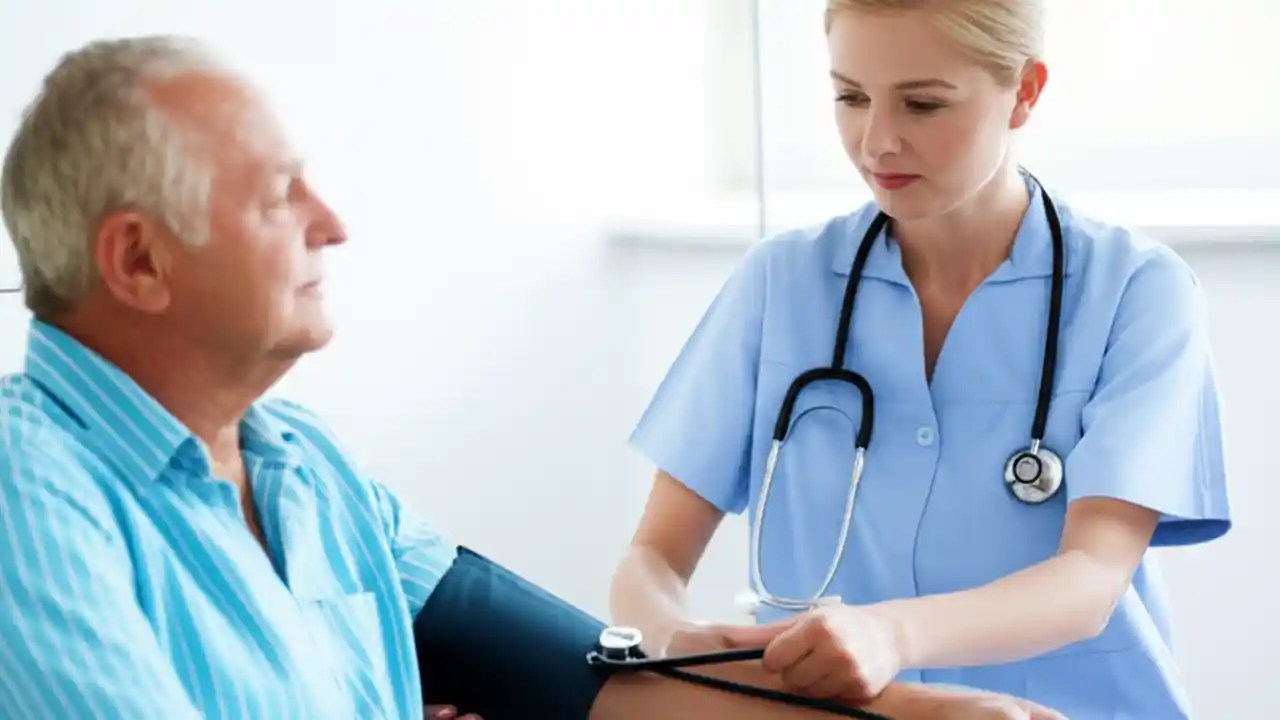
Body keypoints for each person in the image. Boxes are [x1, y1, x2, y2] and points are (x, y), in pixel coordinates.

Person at [0, 35, 1067, 720]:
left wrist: (917, 715)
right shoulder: (24, 494)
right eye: (280, 196)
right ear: (139, 261)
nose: (332, 223)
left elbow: (580, 681)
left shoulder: (302, 467)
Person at [610, 1, 1231, 718]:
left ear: (1025, 92)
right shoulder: (781, 284)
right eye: (850, 97)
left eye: (922, 104)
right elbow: (650, 559)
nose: (876, 142)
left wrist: (889, 633)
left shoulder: (1135, 290)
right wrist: (670, 636)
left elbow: (1091, 578)